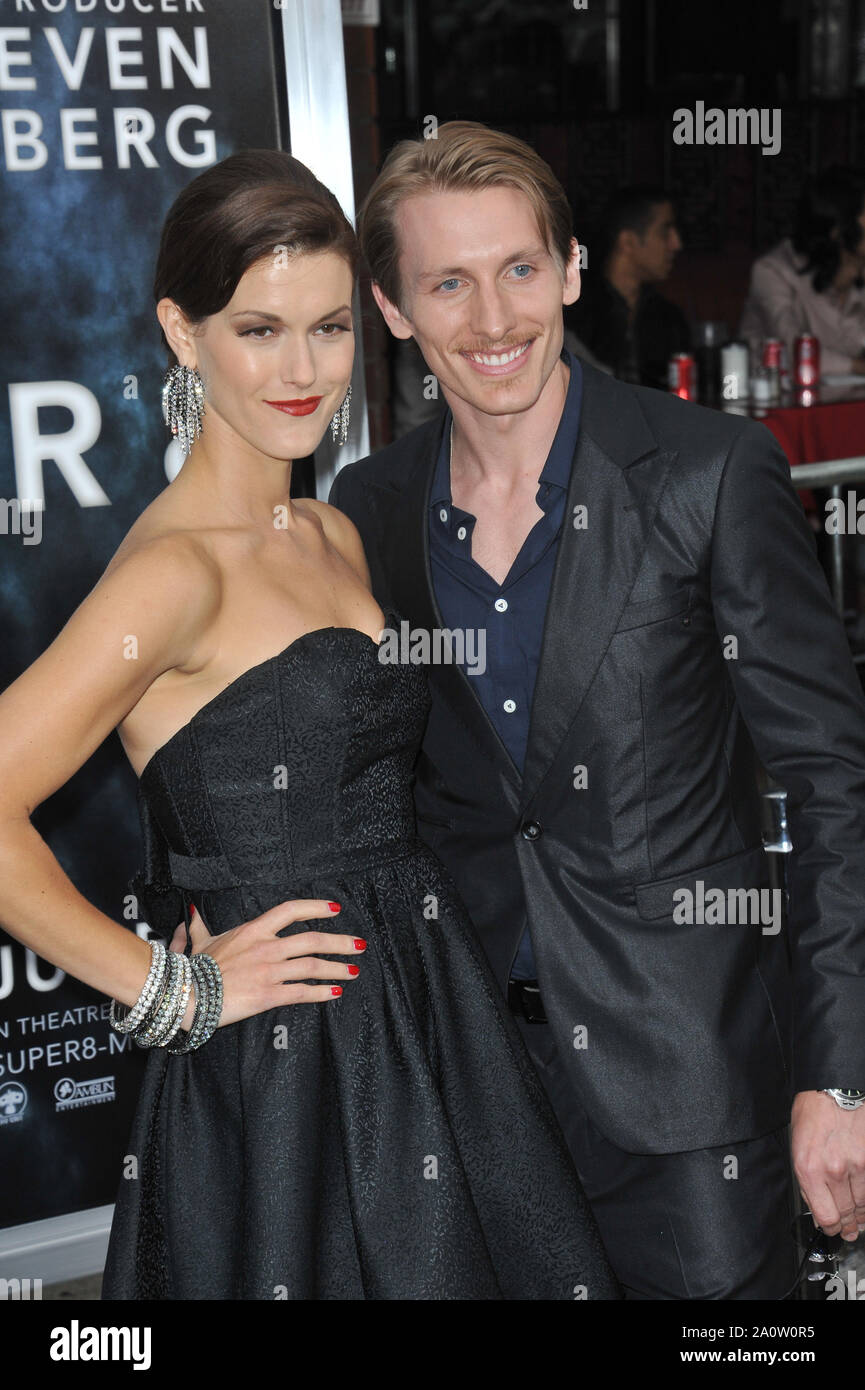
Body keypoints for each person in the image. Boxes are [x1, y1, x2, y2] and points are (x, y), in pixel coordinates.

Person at [0, 150, 619, 1300]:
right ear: (182, 334)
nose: (302, 371)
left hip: (431, 1027)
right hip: (290, 1076)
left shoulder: (328, 531)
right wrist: (167, 990)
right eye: (258, 330)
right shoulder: (171, 574)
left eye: (329, 328)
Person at [329, 121, 865, 1300]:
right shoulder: (366, 510)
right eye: (448, 284)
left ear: (572, 269)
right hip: (478, 1094)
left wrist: (841, 1077)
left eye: (520, 268)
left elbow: (835, 783)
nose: (494, 318)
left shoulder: (709, 473)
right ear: (393, 308)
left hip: (694, 1090)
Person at [739, 166, 865, 376]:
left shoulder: (858, 272)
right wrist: (857, 367)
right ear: (838, 228)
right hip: (771, 401)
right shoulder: (772, 272)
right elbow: (792, 350)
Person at [563, 185, 690, 389]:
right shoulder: (575, 312)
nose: (676, 243)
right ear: (628, 242)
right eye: (665, 232)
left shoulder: (669, 318)